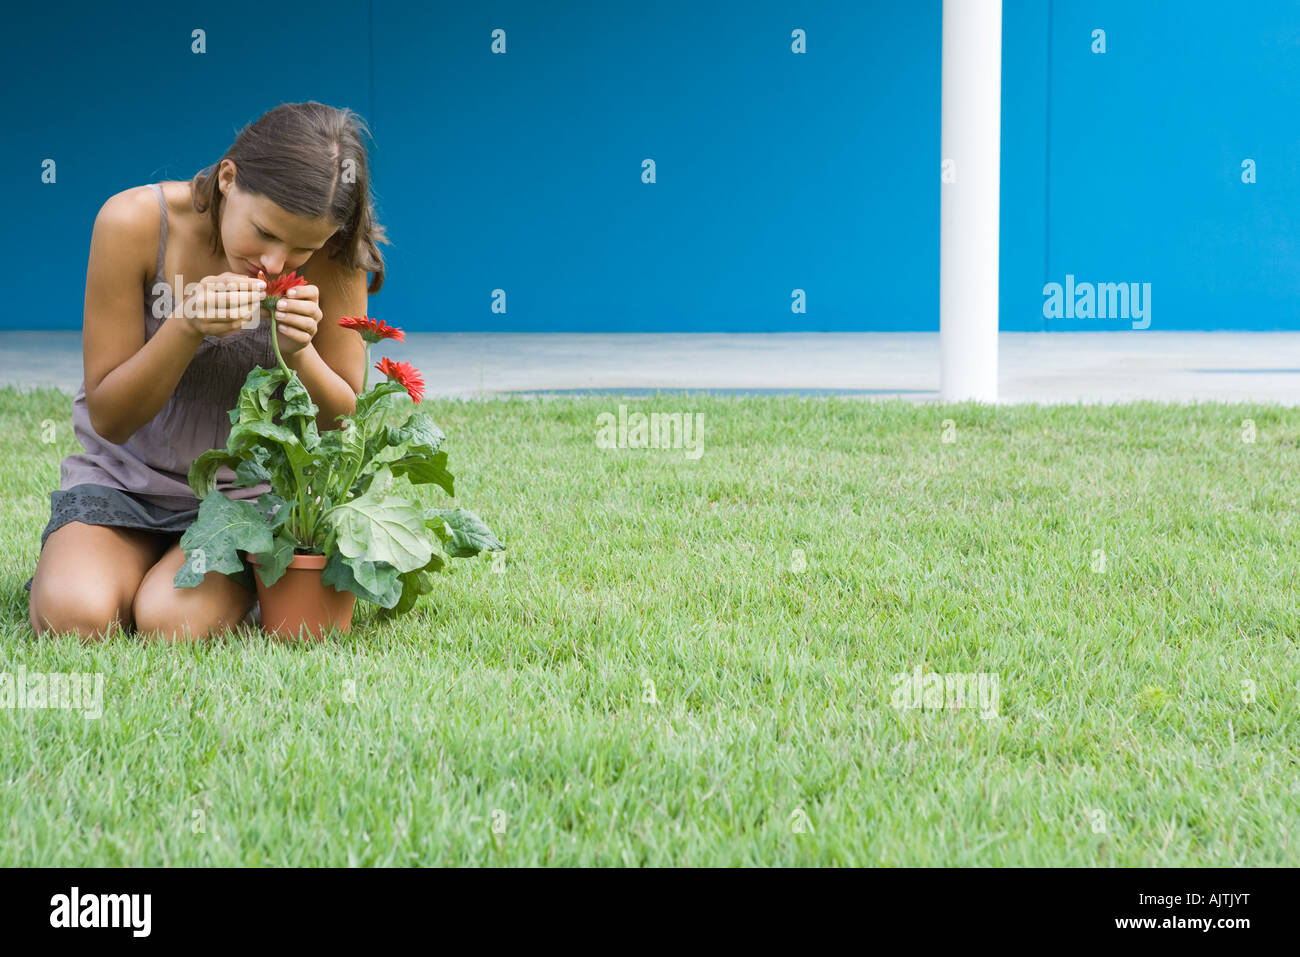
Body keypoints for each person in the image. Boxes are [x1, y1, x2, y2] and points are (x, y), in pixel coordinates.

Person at [26, 101, 387, 642]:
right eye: (264, 232)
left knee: (171, 623)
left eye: (301, 250)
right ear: (227, 178)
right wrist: (185, 327)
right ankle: (121, 563)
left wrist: (301, 352)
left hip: (248, 499)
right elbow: (111, 418)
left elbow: (341, 420)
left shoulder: (335, 253)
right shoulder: (135, 223)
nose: (274, 263)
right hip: (123, 481)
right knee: (74, 617)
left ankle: (202, 582)